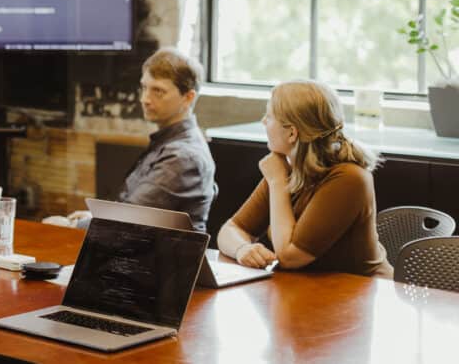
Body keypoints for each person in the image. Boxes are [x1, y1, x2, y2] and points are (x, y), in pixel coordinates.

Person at [217, 80, 392, 278]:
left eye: (269, 116)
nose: (263, 122)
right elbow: (231, 229)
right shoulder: (287, 169)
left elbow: (289, 257)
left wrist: (277, 183)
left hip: (360, 295)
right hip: (307, 292)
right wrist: (242, 249)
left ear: (292, 132)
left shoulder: (349, 179)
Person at [112, 47, 217, 233]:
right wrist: (89, 217)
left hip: (162, 259)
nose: (145, 99)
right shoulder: (170, 142)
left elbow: (128, 221)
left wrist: (73, 225)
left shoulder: (182, 158)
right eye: (144, 88)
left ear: (188, 97)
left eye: (158, 91)